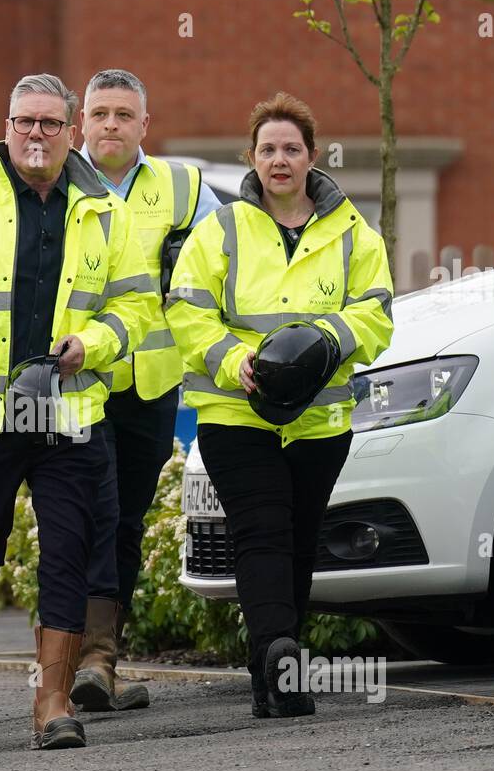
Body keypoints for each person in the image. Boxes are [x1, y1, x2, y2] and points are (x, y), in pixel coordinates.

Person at [0, 73, 155, 750]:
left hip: (72, 415)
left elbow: (137, 309)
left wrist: (91, 343)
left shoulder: (107, 212)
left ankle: (52, 700)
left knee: (68, 554)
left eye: (48, 123)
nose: (35, 134)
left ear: (72, 133)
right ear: (5, 127)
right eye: (23, 122)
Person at [164, 92, 393, 718]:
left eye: (292, 148)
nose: (280, 159)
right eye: (268, 149)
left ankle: (271, 671)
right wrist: (231, 359)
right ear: (253, 158)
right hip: (237, 413)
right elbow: (185, 307)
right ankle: (283, 661)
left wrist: (326, 342)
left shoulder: (353, 234)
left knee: (298, 539)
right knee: (260, 531)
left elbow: (377, 314)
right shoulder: (222, 230)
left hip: (321, 419)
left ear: (312, 157)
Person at [72, 68, 223, 713]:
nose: (111, 124)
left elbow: (230, 259)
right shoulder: (55, 182)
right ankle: (83, 660)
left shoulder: (185, 188)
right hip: (75, 382)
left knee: (126, 520)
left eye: (123, 114)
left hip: (151, 385)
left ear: (144, 125)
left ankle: (102, 660)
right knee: (86, 515)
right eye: (100, 112)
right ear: (82, 121)